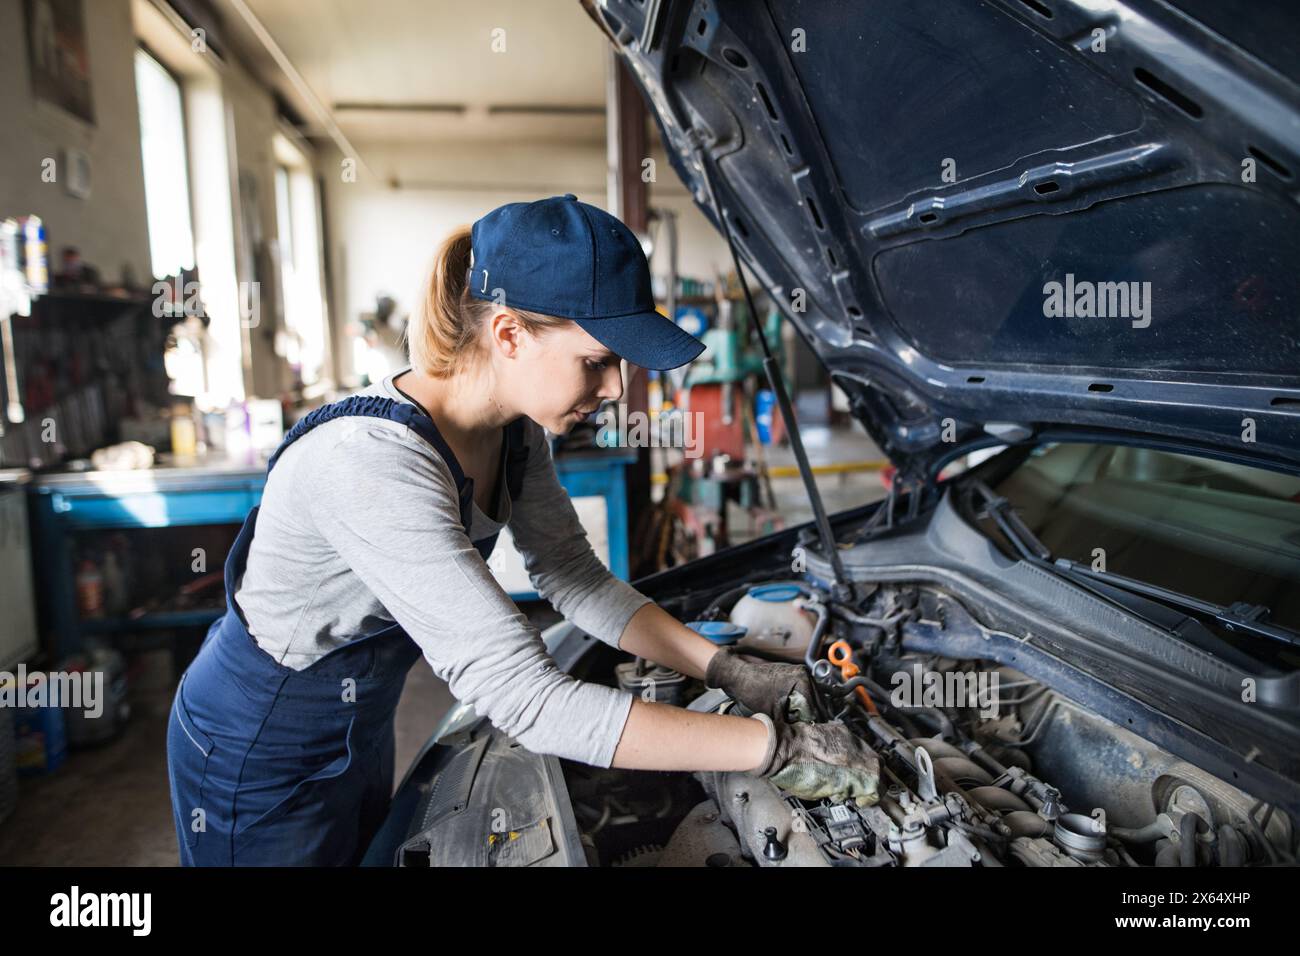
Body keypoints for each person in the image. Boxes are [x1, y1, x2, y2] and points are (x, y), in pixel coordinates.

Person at [165, 194, 879, 866]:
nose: (614, 390)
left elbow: (572, 576)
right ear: (508, 333)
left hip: (362, 717)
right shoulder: (369, 464)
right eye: (597, 362)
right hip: (258, 742)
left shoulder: (513, 436)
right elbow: (527, 699)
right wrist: (771, 749)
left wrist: (726, 670)